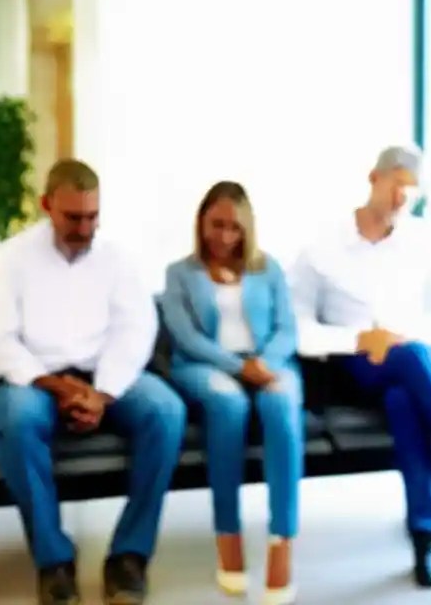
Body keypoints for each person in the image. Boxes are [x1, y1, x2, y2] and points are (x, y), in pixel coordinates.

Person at [0, 159, 186, 605]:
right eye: (73, 217)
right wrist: (59, 387)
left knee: (166, 410)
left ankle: (129, 557)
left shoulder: (117, 259)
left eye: (93, 216)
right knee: (15, 419)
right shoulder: (12, 259)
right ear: (46, 206)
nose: (84, 228)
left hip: (105, 376)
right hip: (34, 381)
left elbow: (135, 330)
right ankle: (54, 561)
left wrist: (102, 393)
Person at [289, 145, 431, 587]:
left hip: (417, 360)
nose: (403, 197)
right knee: (410, 361)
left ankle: (426, 536)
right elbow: (297, 328)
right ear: (374, 178)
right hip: (357, 365)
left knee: (405, 397)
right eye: (397, 185)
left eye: (412, 190)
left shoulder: (424, 243)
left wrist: (404, 336)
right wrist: (358, 339)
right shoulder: (322, 247)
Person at [159, 181, 302, 604]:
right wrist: (240, 368)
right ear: (201, 222)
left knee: (281, 402)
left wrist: (265, 365)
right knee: (228, 403)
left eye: (234, 227)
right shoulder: (179, 273)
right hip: (203, 366)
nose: (224, 236)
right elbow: (186, 337)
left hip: (267, 361)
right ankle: (228, 534)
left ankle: (282, 540)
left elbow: (287, 329)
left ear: (247, 228)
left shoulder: (268, 269)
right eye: (216, 225)